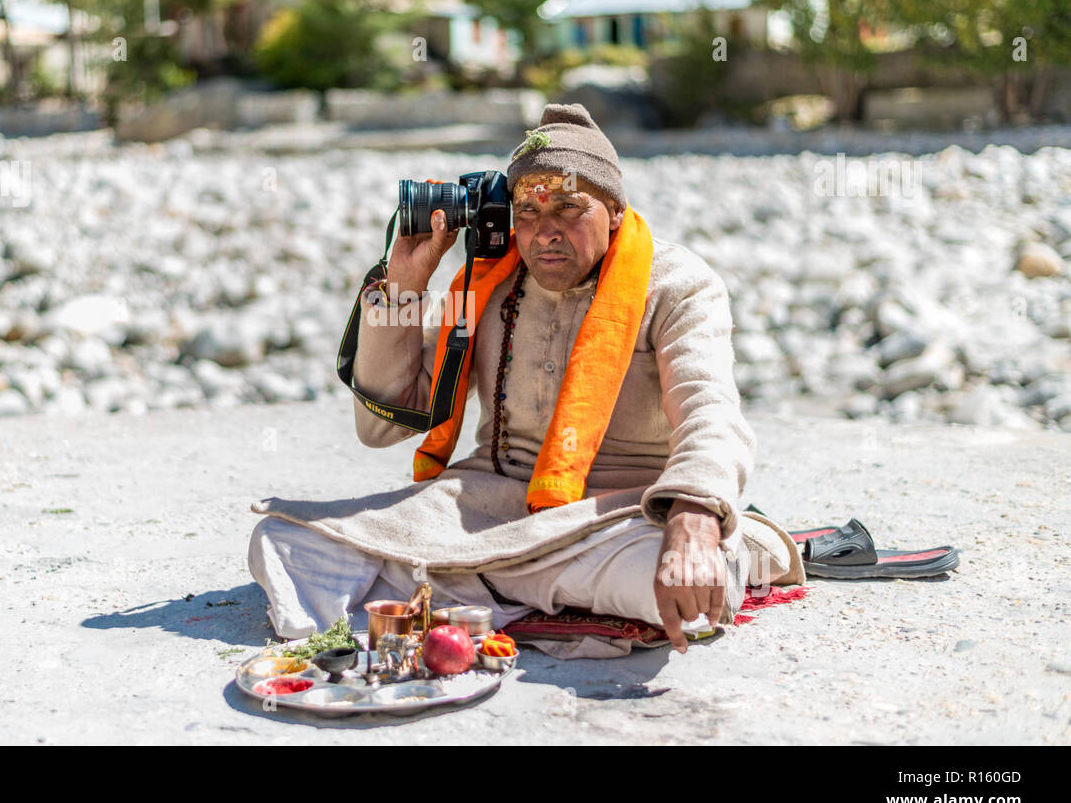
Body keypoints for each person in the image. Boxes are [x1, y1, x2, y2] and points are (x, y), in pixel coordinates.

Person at [248, 104, 802, 658]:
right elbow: (380, 428)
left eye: (568, 207)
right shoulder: (488, 283)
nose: (546, 233)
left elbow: (710, 412)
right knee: (282, 542)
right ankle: (505, 587)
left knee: (670, 576)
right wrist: (404, 288)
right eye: (528, 211)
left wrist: (695, 520)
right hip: (482, 510)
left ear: (613, 211)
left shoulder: (677, 285)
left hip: (612, 519)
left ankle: (466, 590)